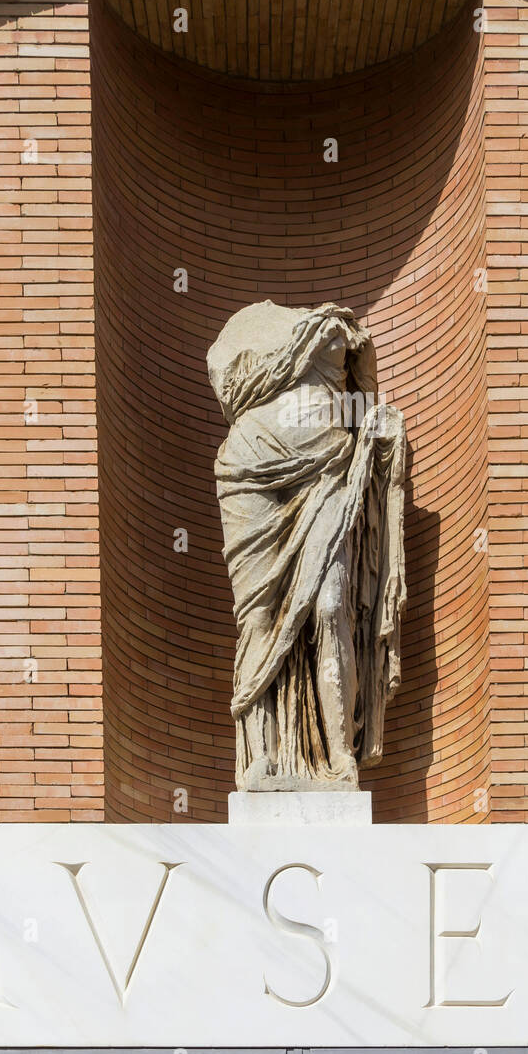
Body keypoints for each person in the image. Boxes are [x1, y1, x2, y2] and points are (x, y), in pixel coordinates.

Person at [207, 301, 407, 790]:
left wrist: (381, 432)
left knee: (331, 605)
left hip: (326, 471)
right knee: (259, 615)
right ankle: (263, 756)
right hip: (249, 474)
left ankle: (341, 757)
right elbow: (228, 387)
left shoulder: (342, 328)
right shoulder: (241, 326)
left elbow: (359, 403)